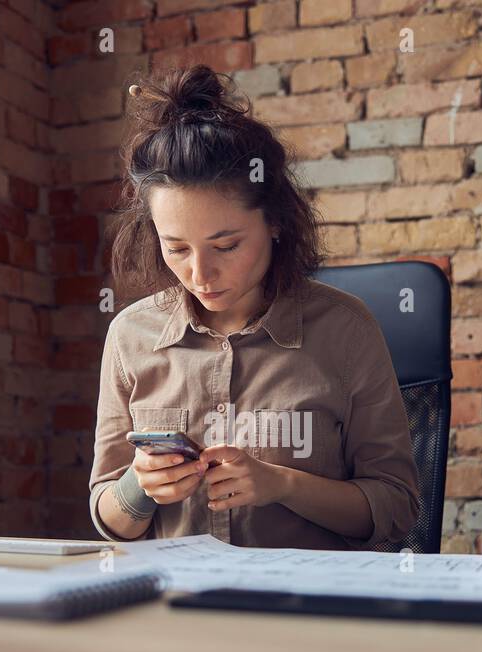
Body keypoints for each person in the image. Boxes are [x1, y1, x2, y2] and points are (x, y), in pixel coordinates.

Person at [89, 65, 420, 550]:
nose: (200, 274)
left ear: (276, 223)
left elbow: (397, 510)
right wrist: (139, 488)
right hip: (177, 607)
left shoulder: (346, 331)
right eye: (176, 248)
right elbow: (108, 517)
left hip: (306, 607)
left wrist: (282, 485)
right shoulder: (130, 337)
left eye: (226, 246)